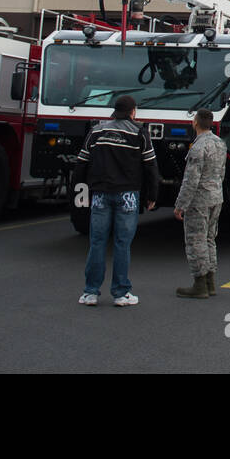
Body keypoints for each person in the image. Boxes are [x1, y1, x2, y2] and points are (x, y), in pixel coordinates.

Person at [75, 95, 160, 306]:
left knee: (97, 242)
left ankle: (90, 292)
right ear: (132, 112)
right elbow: (150, 166)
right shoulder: (140, 132)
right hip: (128, 195)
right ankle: (121, 293)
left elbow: (81, 164)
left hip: (100, 194)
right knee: (122, 243)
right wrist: (152, 196)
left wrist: (79, 192)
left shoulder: (96, 131)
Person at [174, 109, 227, 299]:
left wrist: (181, 205)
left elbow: (191, 180)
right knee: (210, 239)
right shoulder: (220, 144)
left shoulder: (198, 147)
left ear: (195, 122)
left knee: (196, 240)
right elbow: (221, 173)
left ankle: (200, 284)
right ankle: (211, 282)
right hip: (216, 196)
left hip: (199, 199)